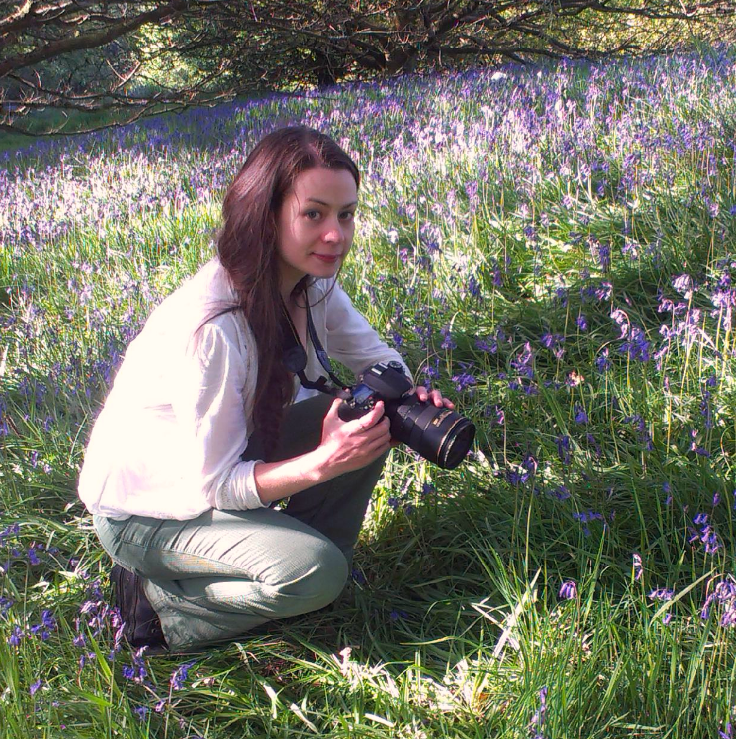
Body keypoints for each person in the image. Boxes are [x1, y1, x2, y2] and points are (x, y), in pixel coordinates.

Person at [78, 125, 454, 653]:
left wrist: (405, 396)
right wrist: (324, 462)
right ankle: (162, 608)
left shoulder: (309, 284)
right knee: (316, 574)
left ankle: (291, 563)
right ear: (267, 212)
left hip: (221, 460)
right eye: (314, 214)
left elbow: (377, 357)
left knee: (365, 420)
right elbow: (214, 486)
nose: (336, 235)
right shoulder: (214, 327)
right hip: (149, 513)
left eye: (346, 215)